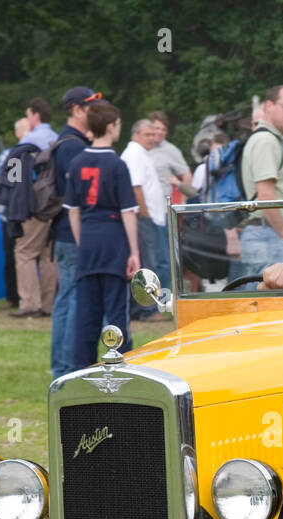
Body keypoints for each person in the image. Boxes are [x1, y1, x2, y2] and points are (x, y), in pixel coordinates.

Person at [64, 100, 139, 371]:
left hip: (89, 240)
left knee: (86, 314)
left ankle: (79, 371)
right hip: (113, 239)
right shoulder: (117, 165)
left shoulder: (77, 162)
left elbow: (73, 211)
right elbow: (127, 211)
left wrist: (82, 242)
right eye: (118, 124)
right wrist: (134, 252)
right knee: (117, 311)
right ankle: (122, 367)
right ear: (110, 126)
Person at [48, 85, 99, 379]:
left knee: (68, 299)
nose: (96, 112)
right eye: (91, 106)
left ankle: (63, 367)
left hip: (68, 233)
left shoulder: (72, 142)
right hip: (72, 235)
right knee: (71, 301)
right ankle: (66, 369)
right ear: (77, 110)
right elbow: (80, 196)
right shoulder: (72, 146)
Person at [239, 85, 283, 276]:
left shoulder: (267, 139)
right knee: (275, 304)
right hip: (270, 236)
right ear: (269, 105)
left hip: (266, 234)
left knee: (265, 303)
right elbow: (265, 196)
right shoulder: (266, 141)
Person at [11, 97, 58, 317]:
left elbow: (15, 175)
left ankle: (30, 303)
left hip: (35, 204)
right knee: (48, 255)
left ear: (35, 115)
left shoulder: (29, 140)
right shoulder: (57, 138)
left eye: (28, 114)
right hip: (56, 204)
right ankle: (48, 304)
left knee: (25, 252)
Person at [120, 119, 164, 317]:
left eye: (153, 135)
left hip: (148, 217)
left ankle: (143, 308)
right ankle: (146, 309)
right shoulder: (134, 154)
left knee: (150, 261)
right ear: (135, 135)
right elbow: (135, 186)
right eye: (147, 135)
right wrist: (144, 212)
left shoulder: (140, 153)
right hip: (142, 217)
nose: (152, 139)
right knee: (148, 264)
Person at [146, 110, 193, 288]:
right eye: (156, 128)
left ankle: (164, 299)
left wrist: (180, 202)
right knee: (146, 255)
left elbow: (187, 175)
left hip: (163, 211)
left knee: (163, 256)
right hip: (143, 210)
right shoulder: (142, 147)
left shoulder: (170, 150)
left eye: (163, 129)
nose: (159, 132)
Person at [0, 117, 30, 309]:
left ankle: (33, 297)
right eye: (24, 129)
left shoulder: (37, 151)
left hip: (33, 214)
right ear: (17, 134)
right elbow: (7, 182)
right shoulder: (10, 155)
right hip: (11, 213)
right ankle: (13, 297)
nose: (27, 133)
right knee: (11, 256)